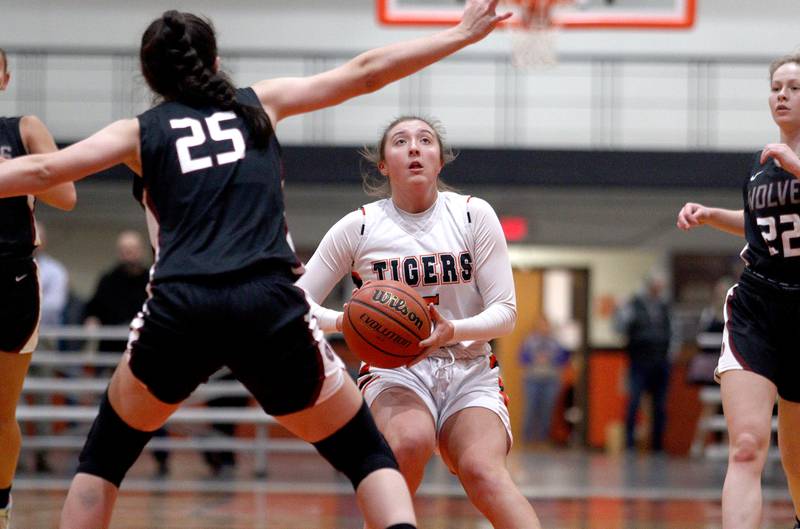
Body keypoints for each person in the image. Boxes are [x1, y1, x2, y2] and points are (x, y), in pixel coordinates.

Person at [0, 4, 510, 529]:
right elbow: (366, 73)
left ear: (150, 76)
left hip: (181, 309)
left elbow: (42, 169)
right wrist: (460, 34)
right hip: (267, 306)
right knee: (367, 458)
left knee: (102, 463)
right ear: (216, 61)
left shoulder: (139, 132)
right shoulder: (260, 104)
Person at [296, 116, 541, 529]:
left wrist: (452, 330)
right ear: (383, 164)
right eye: (401, 141)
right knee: (409, 443)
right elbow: (296, 305)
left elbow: (506, 312)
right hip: (396, 370)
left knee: (483, 472)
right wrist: (346, 321)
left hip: (469, 366)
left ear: (439, 161)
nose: (414, 148)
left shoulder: (472, 214)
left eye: (425, 141)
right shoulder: (358, 226)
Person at [676, 53, 800, 529]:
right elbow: (758, 227)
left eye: (793, 87)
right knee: (746, 446)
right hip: (757, 309)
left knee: (796, 462)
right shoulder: (761, 162)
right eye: (776, 87)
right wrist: (711, 214)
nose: (782, 95)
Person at [0, 47, 76, 529]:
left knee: (1, 412)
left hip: (11, 278)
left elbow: (65, 194)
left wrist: (14, 174)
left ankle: (1, 503)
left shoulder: (23, 129)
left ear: (4, 78)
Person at [613, 272, 673, 452]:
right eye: (656, 285)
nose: (659, 289)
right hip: (638, 361)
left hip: (660, 362)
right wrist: (620, 309)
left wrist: (670, 355)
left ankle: (657, 446)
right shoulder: (634, 305)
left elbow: (672, 332)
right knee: (633, 403)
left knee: (660, 407)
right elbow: (618, 328)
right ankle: (629, 444)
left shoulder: (664, 307)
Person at [83, 230, 149, 355]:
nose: (129, 254)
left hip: (143, 346)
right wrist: (92, 319)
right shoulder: (108, 280)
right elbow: (93, 308)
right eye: (124, 250)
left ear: (142, 251)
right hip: (111, 347)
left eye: (133, 249)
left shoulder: (152, 280)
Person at [518, 316, 570, 445]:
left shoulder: (556, 342)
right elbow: (521, 358)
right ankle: (527, 439)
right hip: (532, 380)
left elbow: (564, 358)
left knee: (547, 411)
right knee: (530, 409)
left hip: (551, 380)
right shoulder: (529, 341)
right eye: (540, 325)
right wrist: (534, 359)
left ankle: (543, 440)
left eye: (545, 325)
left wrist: (551, 360)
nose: (543, 328)